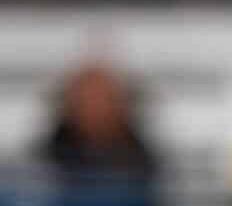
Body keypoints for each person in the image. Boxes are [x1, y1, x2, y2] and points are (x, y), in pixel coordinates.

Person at [39, 59, 157, 194]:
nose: (95, 107)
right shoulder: (47, 160)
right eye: (86, 99)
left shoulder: (142, 161)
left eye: (103, 98)